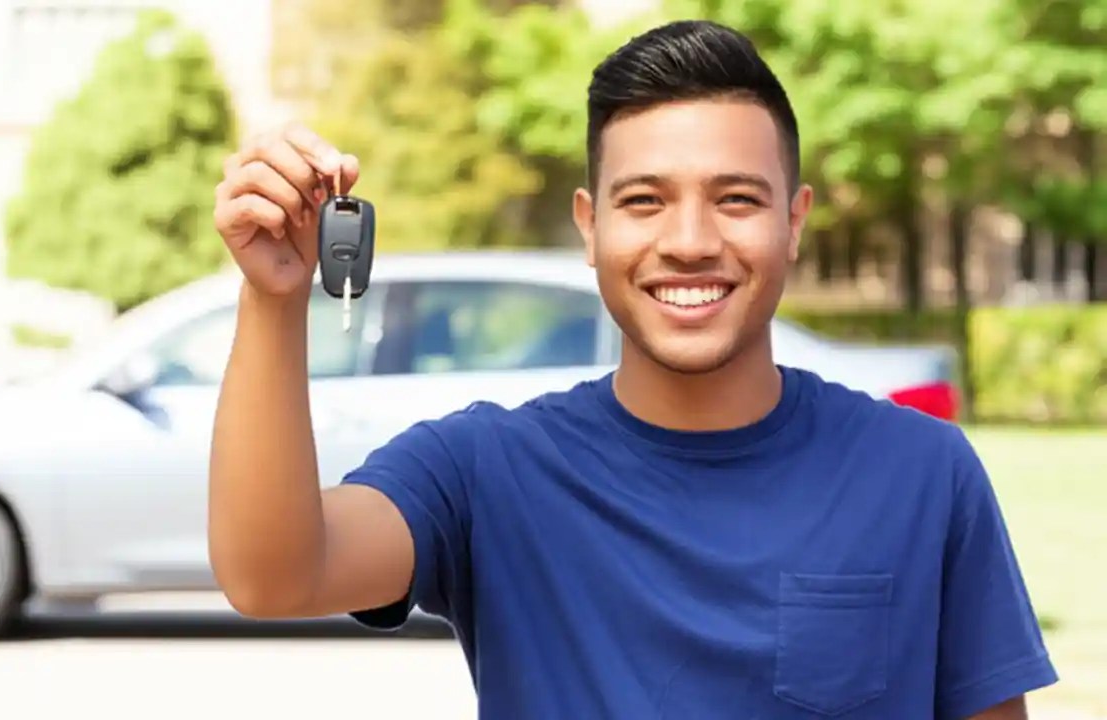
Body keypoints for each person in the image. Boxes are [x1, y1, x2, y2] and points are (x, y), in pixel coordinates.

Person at [208, 19, 1057, 720]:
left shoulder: (922, 471)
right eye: (644, 200)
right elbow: (273, 576)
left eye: (737, 199)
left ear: (795, 222)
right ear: (589, 225)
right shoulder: (483, 472)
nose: (688, 241)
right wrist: (273, 300)